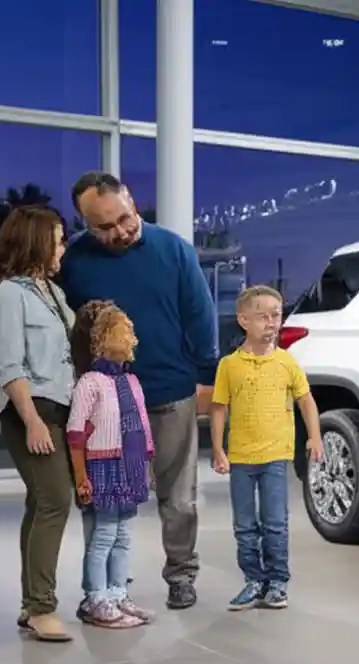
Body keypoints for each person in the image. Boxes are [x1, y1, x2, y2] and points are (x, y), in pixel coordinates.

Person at [59, 172, 218, 610]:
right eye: (104, 227)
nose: (120, 231)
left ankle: (181, 575)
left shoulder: (174, 250)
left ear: (130, 200)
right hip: (104, 400)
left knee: (179, 498)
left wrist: (207, 376)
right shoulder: (74, 260)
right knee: (103, 499)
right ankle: (108, 587)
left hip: (170, 391)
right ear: (86, 223)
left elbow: (200, 316)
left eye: (124, 219)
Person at [0, 205, 76, 642]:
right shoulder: (8, 296)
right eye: (57, 240)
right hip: (30, 410)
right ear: (37, 242)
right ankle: (42, 608)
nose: (63, 248)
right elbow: (9, 365)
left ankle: (30, 603)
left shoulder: (51, 292)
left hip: (61, 406)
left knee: (41, 503)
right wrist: (33, 421)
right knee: (55, 500)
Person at [209, 285, 322, 610]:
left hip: (275, 455)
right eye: (263, 316)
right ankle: (253, 580)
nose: (272, 322)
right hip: (241, 458)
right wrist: (218, 449)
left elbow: (306, 400)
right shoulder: (229, 365)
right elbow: (218, 408)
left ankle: (277, 582)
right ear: (244, 320)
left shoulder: (286, 362)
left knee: (275, 523)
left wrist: (314, 436)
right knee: (245, 525)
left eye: (277, 315)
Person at [67, 304, 155, 628]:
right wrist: (81, 476)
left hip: (129, 465)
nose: (131, 338)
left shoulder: (132, 381)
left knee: (123, 535)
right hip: (103, 465)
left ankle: (118, 593)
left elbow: (143, 426)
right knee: (103, 534)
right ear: (104, 337)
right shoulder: (90, 383)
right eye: (124, 331)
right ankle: (96, 597)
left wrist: (145, 465)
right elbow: (76, 432)